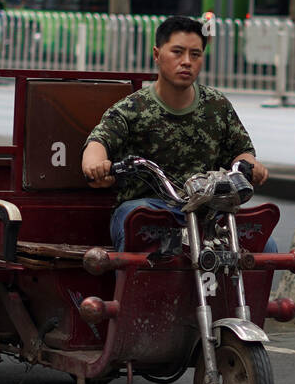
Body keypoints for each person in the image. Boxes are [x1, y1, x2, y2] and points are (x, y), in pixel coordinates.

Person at [81, 15, 271, 252]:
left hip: (206, 209)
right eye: (177, 52)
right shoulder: (132, 108)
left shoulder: (217, 105)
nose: (187, 62)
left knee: (265, 244)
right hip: (152, 208)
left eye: (195, 54)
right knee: (135, 221)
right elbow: (98, 142)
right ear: (157, 55)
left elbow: (241, 152)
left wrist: (251, 165)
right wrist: (96, 165)